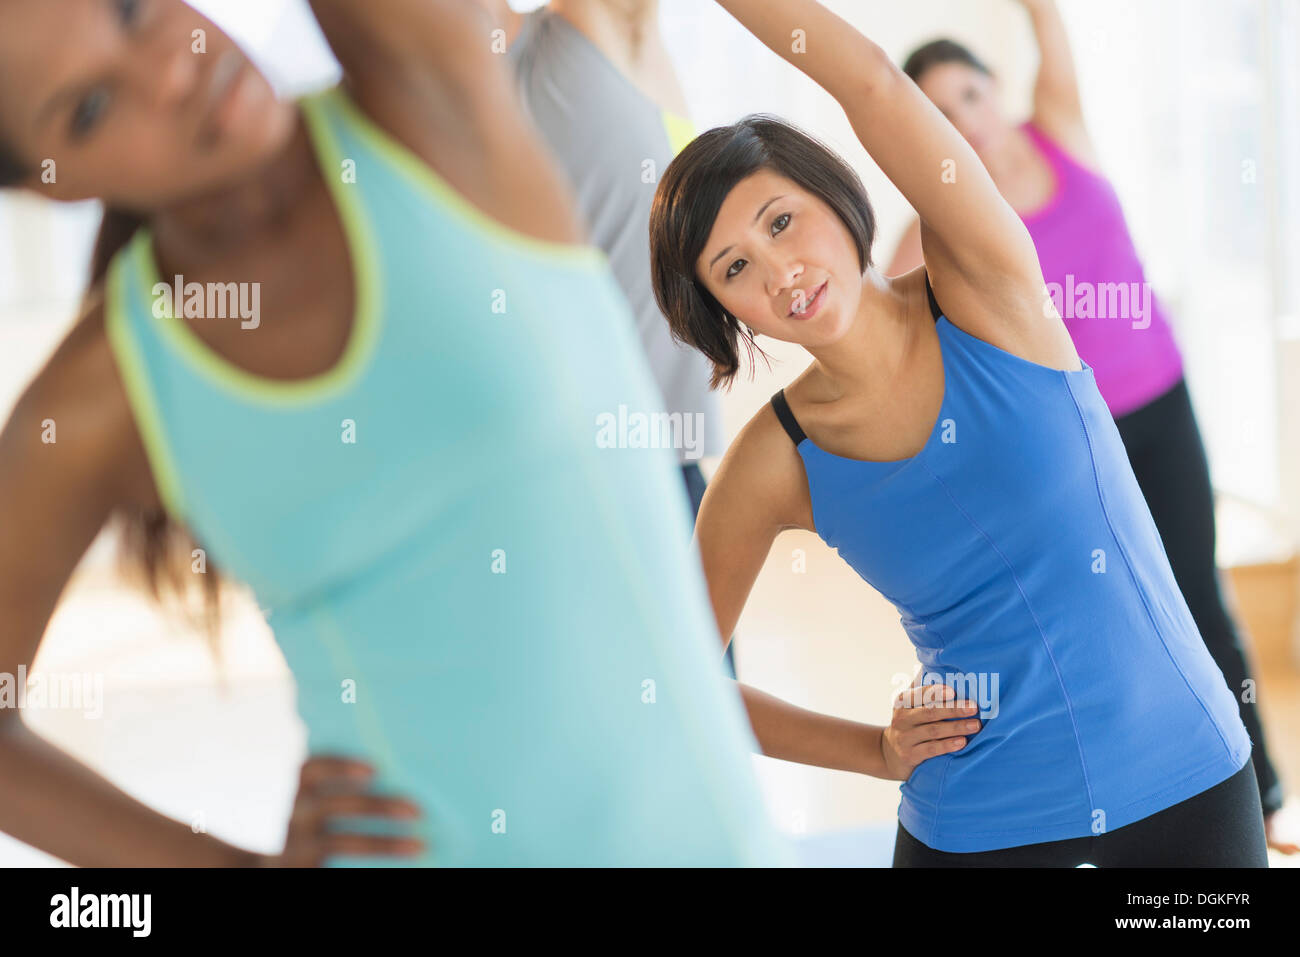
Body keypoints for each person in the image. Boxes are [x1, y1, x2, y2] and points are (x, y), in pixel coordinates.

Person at [0, 0, 789, 867]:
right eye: (89, 108)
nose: (168, 71)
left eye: (132, 10)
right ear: (51, 182)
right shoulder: (101, 392)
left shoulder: (426, 101)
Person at [648, 0, 1268, 866]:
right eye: (735, 269)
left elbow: (869, 80)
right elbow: (675, 680)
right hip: (981, 821)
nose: (780, 271)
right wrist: (872, 750)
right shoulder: (772, 458)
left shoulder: (984, 289)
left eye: (781, 220)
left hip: (1189, 780)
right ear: (723, 312)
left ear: (832, 192)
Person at [886, 0, 1294, 855]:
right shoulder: (945, 221)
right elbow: (881, 306)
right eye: (938, 114)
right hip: (1075, 449)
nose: (964, 119)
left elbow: (1052, 30)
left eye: (970, 95)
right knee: (1112, 616)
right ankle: (1116, 807)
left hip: (1162, 401)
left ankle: (1257, 797)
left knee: (1200, 596)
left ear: (996, 93)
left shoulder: (1059, 129)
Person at [482, 0, 737, 676]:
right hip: (590, 461)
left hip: (667, 453)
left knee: (711, 701)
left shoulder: (645, 43)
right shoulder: (556, 42)